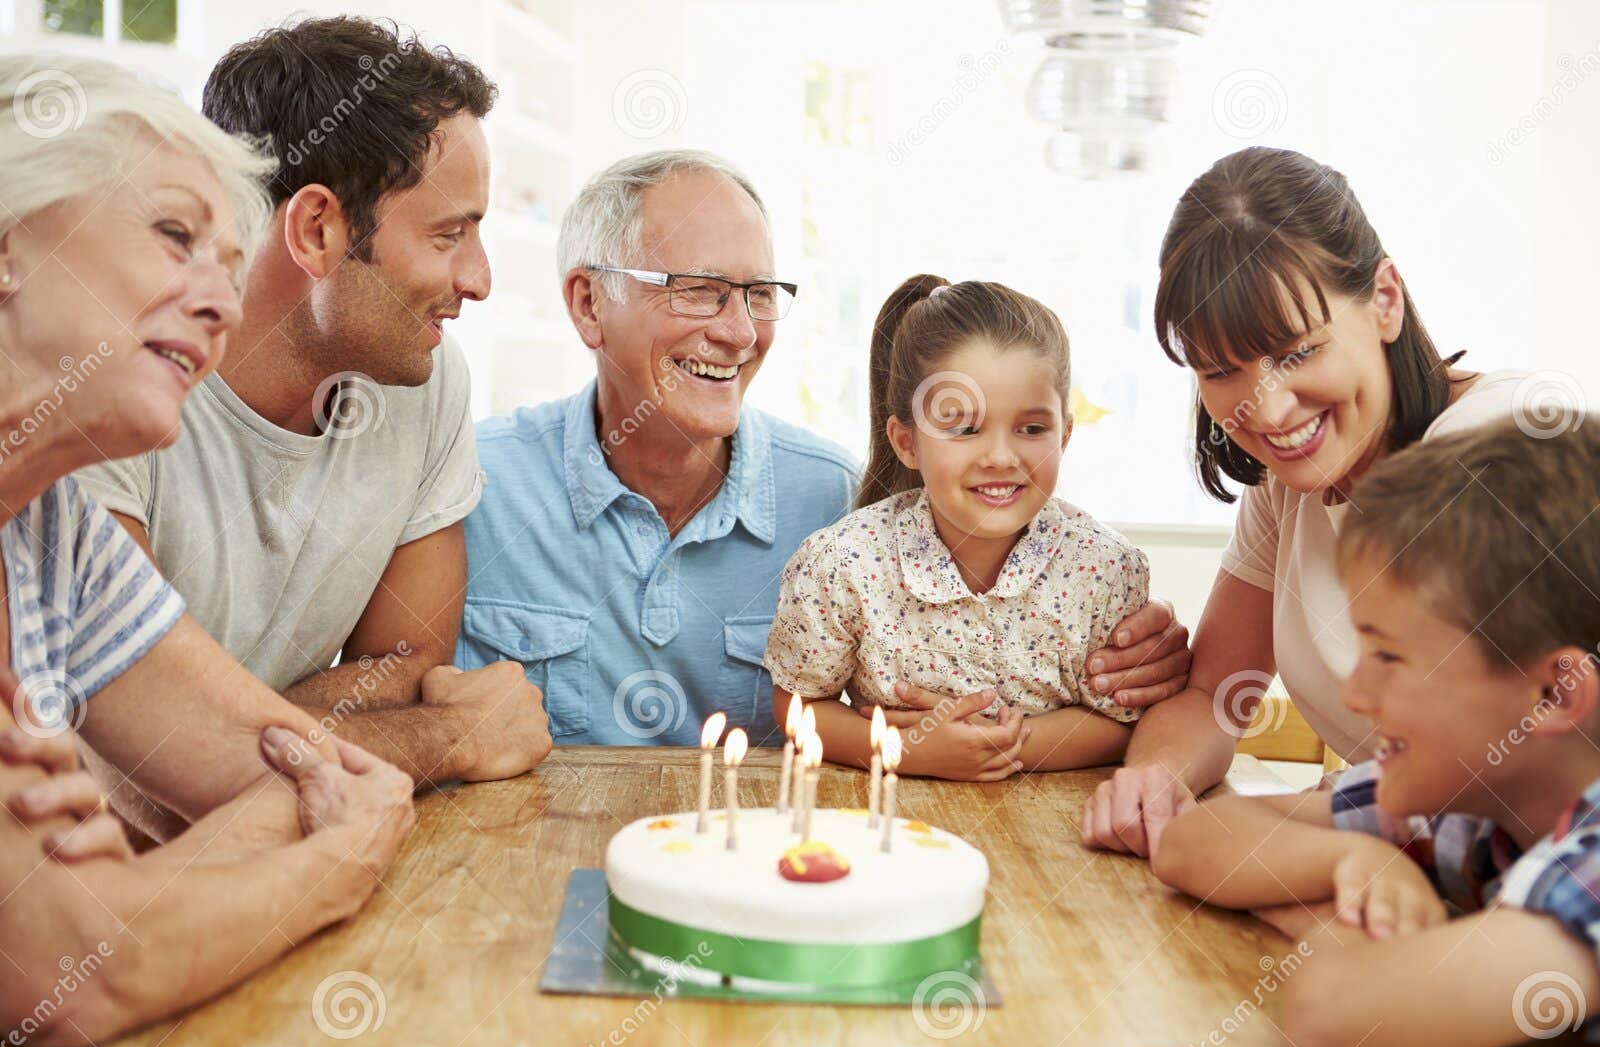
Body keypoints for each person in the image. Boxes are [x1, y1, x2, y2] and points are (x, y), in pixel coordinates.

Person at [458, 150, 1192, 747]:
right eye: (700, 289)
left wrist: (1135, 654)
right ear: (589, 304)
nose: (741, 332)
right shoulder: (473, 485)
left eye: (760, 293)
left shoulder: (836, 498)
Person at [0, 55, 414, 1047]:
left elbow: (316, 774)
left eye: (229, 269)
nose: (224, 306)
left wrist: (110, 909)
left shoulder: (53, 530)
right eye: (174, 236)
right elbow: (65, 981)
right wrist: (335, 867)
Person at [73, 16, 550, 813]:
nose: (479, 278)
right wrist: (452, 736)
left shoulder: (426, 378)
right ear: (317, 229)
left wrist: (217, 738)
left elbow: (408, 667)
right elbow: (142, 782)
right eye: (449, 234)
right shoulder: (110, 389)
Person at [1082, 145, 1599, 858]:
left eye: (1297, 352)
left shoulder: (1500, 453)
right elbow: (1215, 696)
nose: (1268, 409)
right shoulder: (1287, 486)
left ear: (1384, 300)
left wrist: (1308, 840)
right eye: (1222, 370)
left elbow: (1493, 764)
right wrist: (1153, 780)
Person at [1154, 419, 1600, 1047]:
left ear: (1554, 694)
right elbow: (1191, 840)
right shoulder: (1470, 795)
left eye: (1388, 656)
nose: (1355, 693)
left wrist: (1336, 920)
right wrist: (1354, 862)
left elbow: (1332, 1020)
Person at [765, 276, 1148, 778]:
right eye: (965, 429)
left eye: (1032, 429)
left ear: (1065, 434)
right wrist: (907, 751)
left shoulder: (1107, 570)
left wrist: (999, 747)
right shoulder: (841, 564)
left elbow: (1123, 719)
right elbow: (798, 706)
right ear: (907, 442)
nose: (1001, 457)